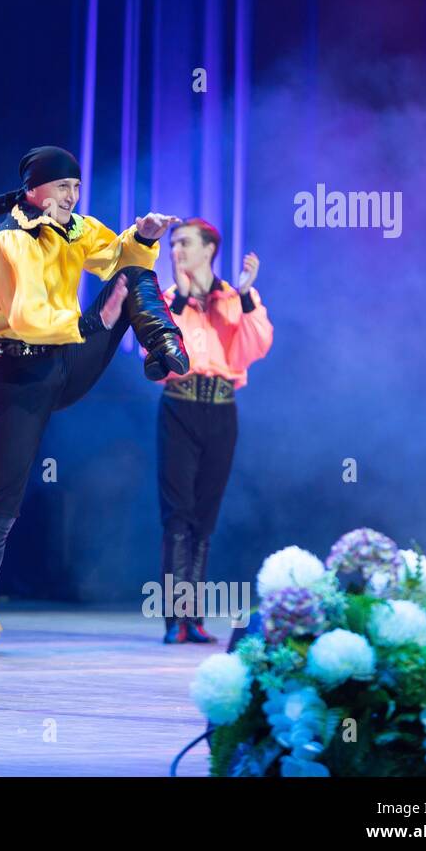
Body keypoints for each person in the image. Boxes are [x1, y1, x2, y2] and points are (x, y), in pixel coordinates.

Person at [0, 146, 190, 693]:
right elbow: (29, 318)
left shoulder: (77, 227)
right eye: (62, 188)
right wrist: (89, 322)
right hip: (16, 374)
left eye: (76, 187)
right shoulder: (4, 239)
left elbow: (117, 256)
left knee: (131, 275)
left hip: (64, 360)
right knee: (1, 503)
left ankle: (165, 347)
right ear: (34, 190)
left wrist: (144, 236)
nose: (72, 197)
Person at [156, 218, 272, 643]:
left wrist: (241, 294)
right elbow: (161, 357)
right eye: (172, 245)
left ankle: (195, 617)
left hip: (222, 409)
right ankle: (175, 619)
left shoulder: (237, 298)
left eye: (184, 243)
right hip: (180, 407)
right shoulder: (167, 300)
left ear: (209, 249)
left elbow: (255, 346)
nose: (176, 251)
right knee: (177, 515)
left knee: (204, 517)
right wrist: (184, 298)